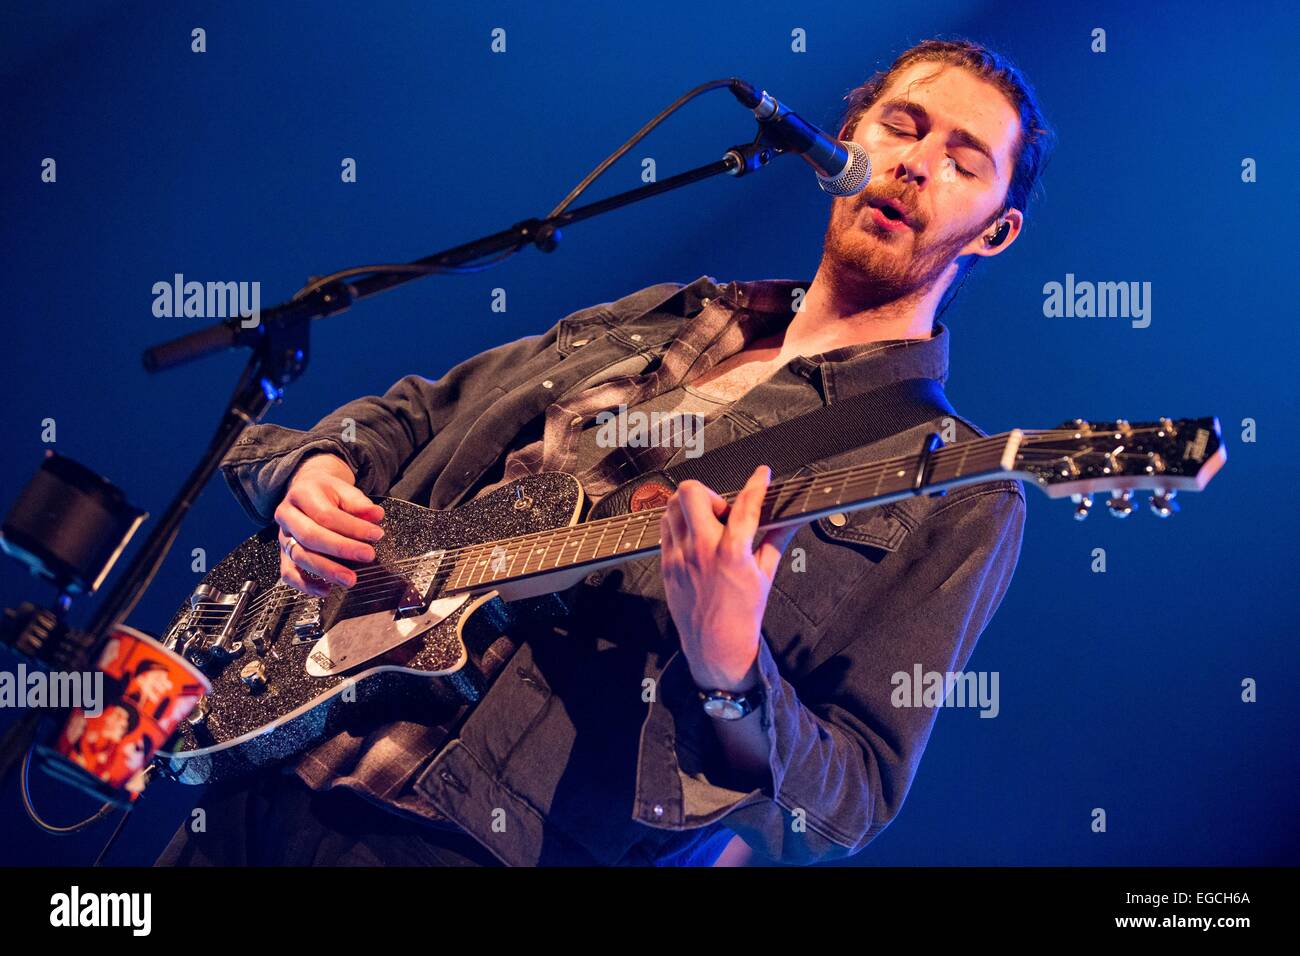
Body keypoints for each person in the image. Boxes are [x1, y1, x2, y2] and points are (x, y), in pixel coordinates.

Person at [157, 37, 1054, 867]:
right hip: (266, 765)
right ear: (845, 140)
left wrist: (730, 666)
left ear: (995, 230)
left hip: (454, 841)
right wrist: (314, 473)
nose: (914, 161)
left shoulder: (960, 489)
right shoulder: (661, 314)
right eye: (901, 125)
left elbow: (843, 806)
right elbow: (409, 417)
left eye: (963, 161)